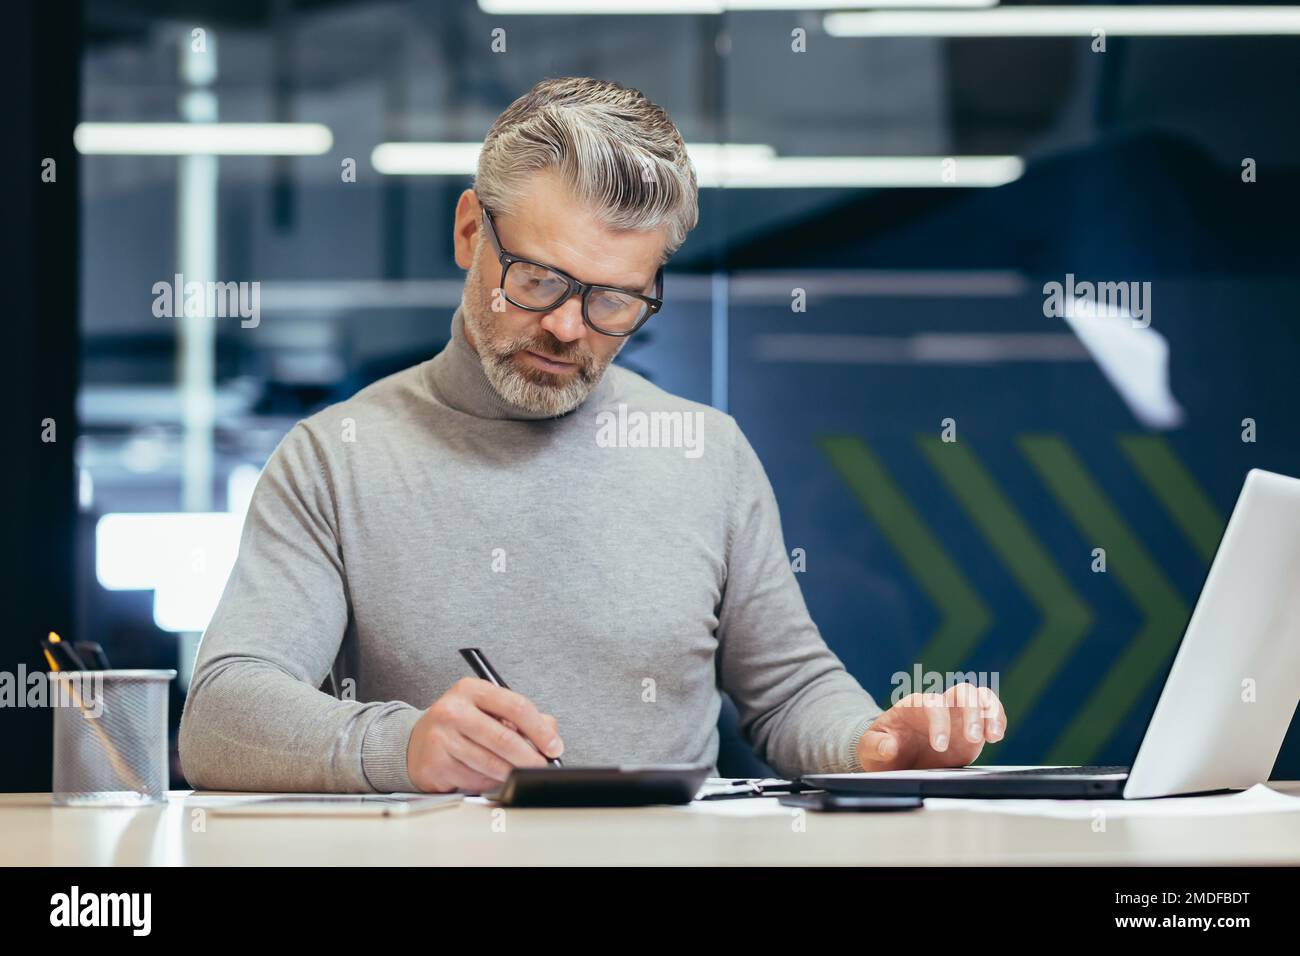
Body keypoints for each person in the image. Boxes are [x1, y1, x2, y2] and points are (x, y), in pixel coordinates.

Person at [178, 76, 1005, 794]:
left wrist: (875, 746)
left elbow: (790, 693)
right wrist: (401, 745)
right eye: (537, 280)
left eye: (615, 300)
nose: (569, 328)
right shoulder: (334, 462)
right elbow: (219, 716)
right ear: (472, 231)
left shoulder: (704, 455)